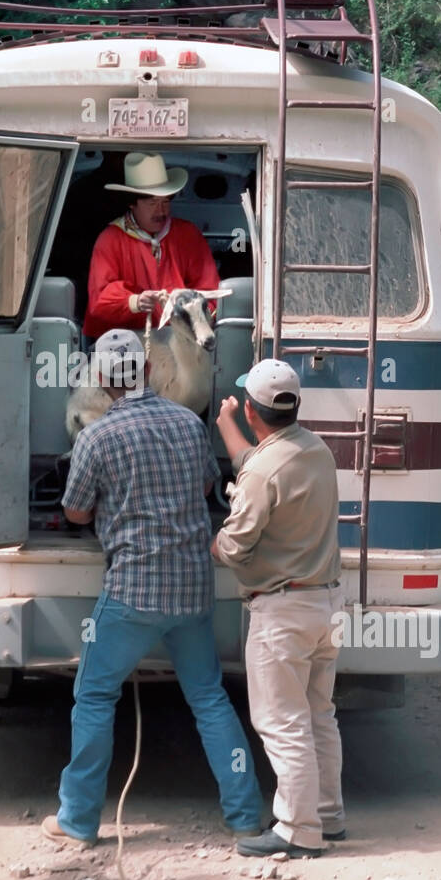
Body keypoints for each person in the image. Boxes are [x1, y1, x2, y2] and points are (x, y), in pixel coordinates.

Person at [43, 329, 262, 846]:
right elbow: (209, 483)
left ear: (99, 379)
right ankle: (247, 815)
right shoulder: (189, 423)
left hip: (130, 594)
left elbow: (75, 510)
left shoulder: (96, 437)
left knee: (95, 696)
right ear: (144, 371)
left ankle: (77, 820)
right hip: (191, 587)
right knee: (208, 698)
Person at [211, 359, 344, 860]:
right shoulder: (317, 450)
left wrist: (214, 544)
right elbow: (264, 465)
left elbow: (235, 546)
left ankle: (297, 829)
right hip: (327, 602)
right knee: (318, 716)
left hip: (283, 611)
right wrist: (230, 429)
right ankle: (328, 816)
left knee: (282, 722)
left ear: (252, 409)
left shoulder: (263, 471)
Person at [83, 152, 221, 339]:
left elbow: (209, 290)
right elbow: (99, 301)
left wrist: (195, 311)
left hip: (182, 340)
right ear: (132, 203)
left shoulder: (188, 234)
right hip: (126, 344)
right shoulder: (110, 239)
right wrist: (134, 302)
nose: (161, 210)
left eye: (165, 201)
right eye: (152, 202)